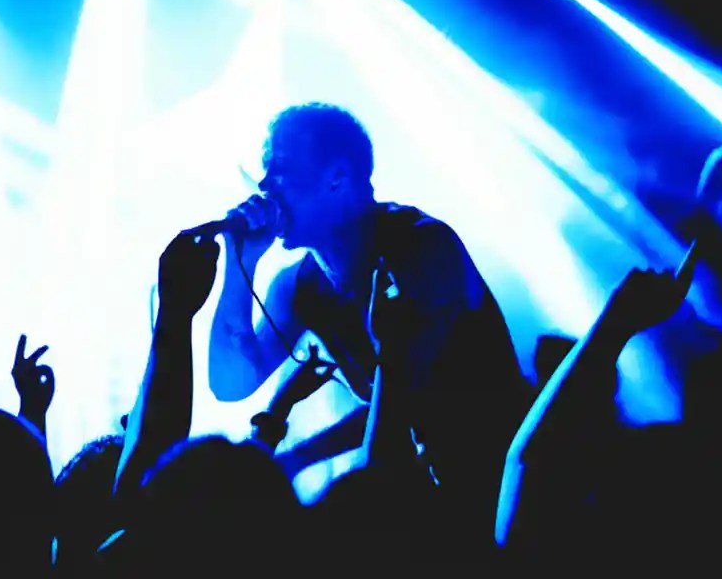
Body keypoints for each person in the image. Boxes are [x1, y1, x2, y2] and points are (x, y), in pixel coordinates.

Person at [207, 102, 530, 544]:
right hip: (434, 501)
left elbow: (403, 400)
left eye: (279, 168)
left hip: (512, 494)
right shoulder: (299, 286)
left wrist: (299, 456)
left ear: (337, 176)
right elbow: (230, 381)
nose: (263, 185)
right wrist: (239, 262)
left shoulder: (421, 247)